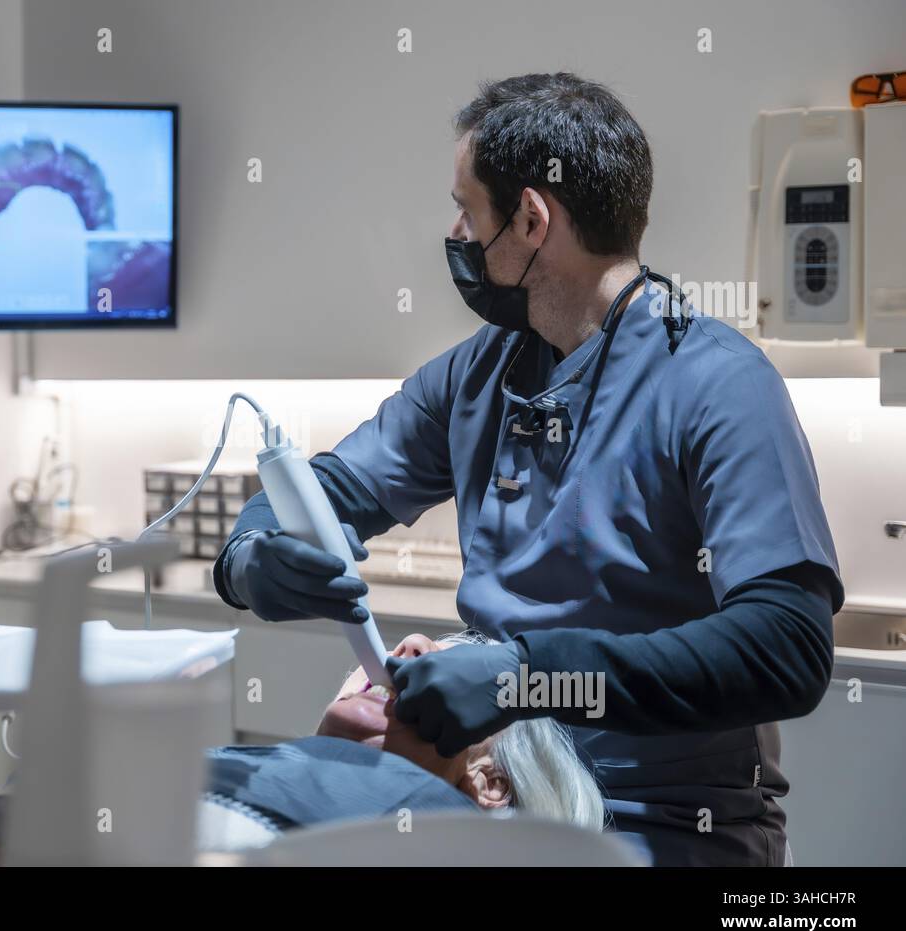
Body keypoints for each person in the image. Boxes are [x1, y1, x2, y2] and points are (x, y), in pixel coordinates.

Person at [213, 73, 842, 866]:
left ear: (531, 219)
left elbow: (784, 648)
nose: (456, 232)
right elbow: (331, 488)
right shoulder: (480, 375)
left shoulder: (717, 384)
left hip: (662, 824)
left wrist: (527, 677)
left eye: (467, 210)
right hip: (488, 800)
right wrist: (251, 556)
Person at [0, 632, 603, 866]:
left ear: (489, 783)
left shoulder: (431, 836)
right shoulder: (263, 783)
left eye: (450, 670)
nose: (403, 650)